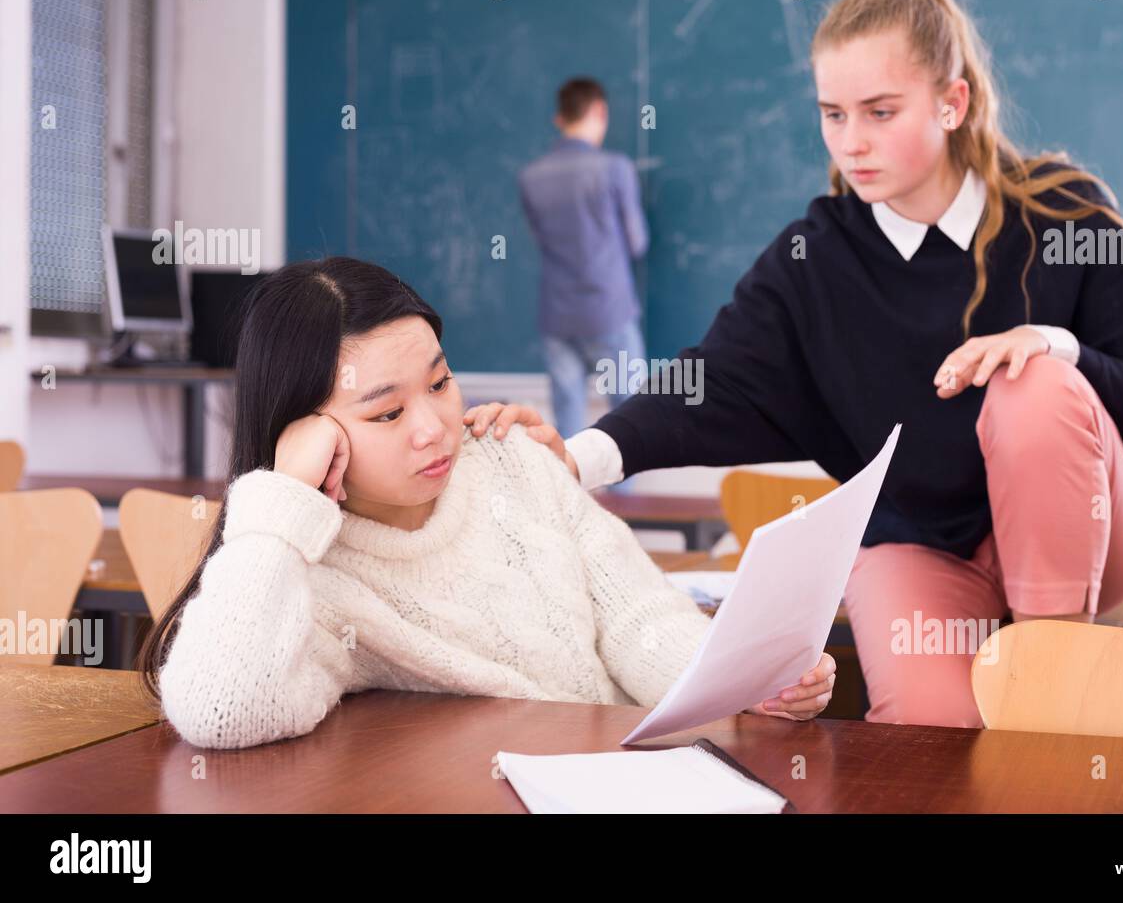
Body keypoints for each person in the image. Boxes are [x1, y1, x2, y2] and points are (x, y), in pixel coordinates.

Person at [466, 0, 1123, 730]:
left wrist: (1051, 342)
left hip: (1091, 543)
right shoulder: (815, 256)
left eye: (881, 112)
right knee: (927, 745)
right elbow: (710, 380)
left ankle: (1054, 672)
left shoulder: (1065, 209)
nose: (852, 142)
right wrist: (577, 458)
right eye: (833, 114)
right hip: (922, 550)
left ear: (953, 103)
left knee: (1030, 384)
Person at [137, 258, 834, 750]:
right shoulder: (310, 579)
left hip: (626, 778)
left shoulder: (512, 461)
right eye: (385, 415)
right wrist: (284, 504)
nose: (433, 426)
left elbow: (635, 618)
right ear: (304, 433)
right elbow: (220, 712)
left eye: (440, 383)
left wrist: (740, 677)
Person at [518, 77, 649, 440]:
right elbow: (637, 243)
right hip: (610, 308)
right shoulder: (615, 169)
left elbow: (541, 238)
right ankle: (626, 498)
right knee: (630, 420)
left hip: (558, 314)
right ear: (599, 111)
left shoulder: (531, 176)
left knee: (568, 422)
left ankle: (569, 495)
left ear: (559, 119)